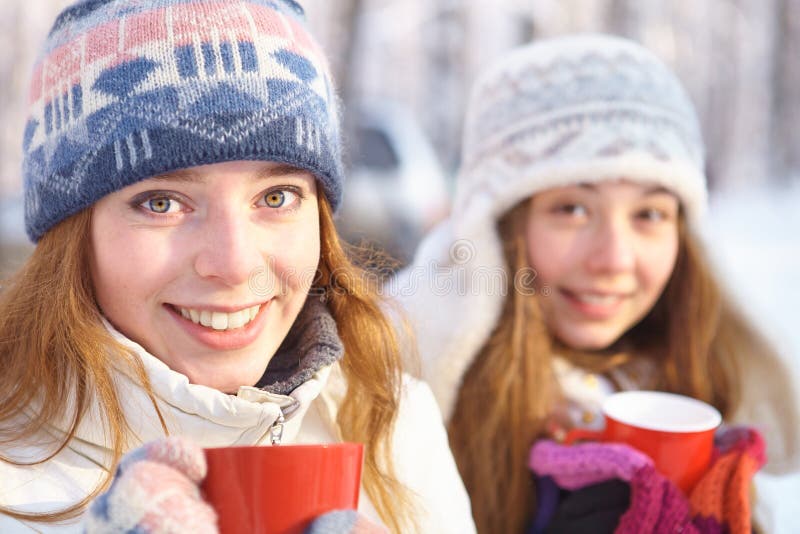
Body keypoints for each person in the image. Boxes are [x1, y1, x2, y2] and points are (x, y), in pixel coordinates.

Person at [0, 1, 476, 533]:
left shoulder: (394, 425)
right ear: (73, 235)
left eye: (276, 196)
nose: (233, 264)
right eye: (162, 202)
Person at [392, 34, 800, 533]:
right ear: (498, 230)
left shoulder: (702, 374)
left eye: (649, 214)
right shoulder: (397, 393)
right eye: (572, 208)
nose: (613, 259)